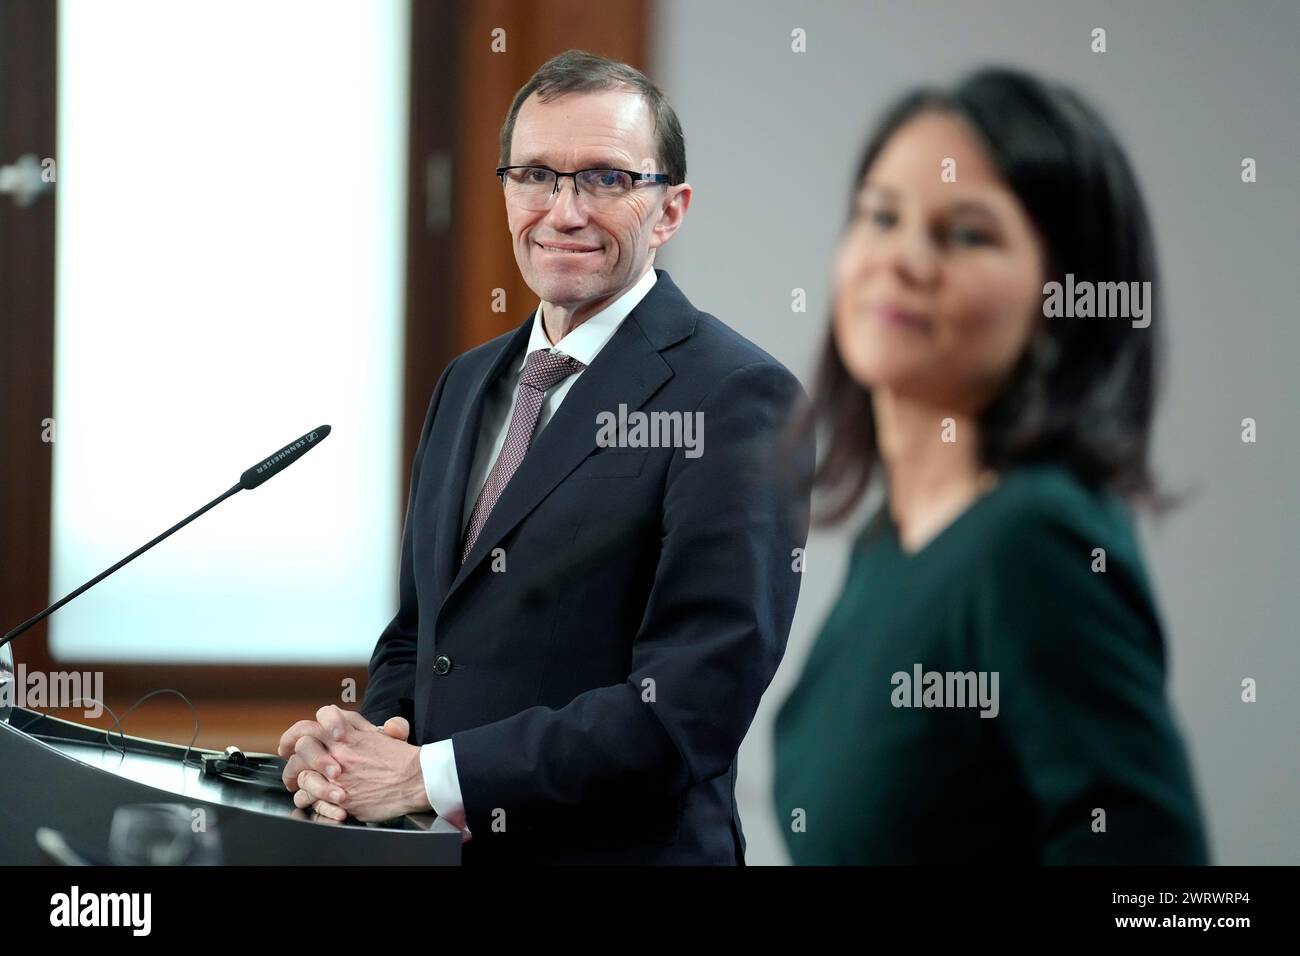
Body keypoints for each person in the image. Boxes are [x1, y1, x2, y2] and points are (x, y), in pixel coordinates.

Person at [277, 49, 811, 865]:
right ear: (505, 192)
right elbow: (419, 633)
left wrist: (428, 778)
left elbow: (688, 708)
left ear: (670, 209)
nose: (563, 211)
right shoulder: (467, 381)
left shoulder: (739, 397)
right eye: (535, 175)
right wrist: (361, 753)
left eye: (605, 179)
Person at [772, 67, 1209, 864]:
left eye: (966, 234)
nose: (902, 258)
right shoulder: (890, 541)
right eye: (880, 216)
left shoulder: (1032, 542)